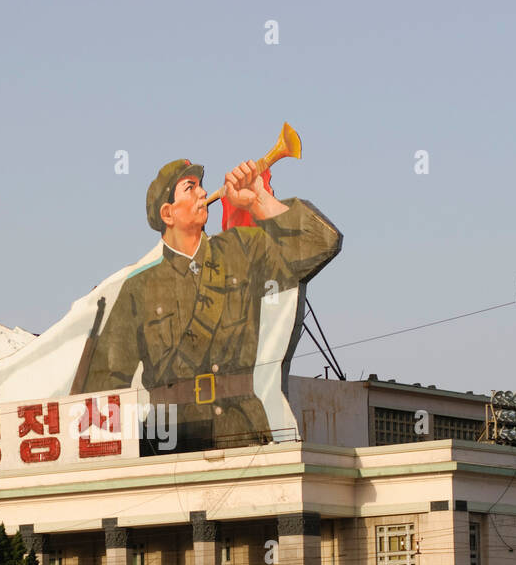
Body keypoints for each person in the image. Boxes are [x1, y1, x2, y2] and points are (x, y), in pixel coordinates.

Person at [75, 157, 342, 451]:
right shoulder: (139, 288)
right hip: (169, 440)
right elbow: (102, 388)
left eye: (201, 186)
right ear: (167, 213)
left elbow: (321, 242)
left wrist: (259, 200)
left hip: (242, 432)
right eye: (190, 188)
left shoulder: (242, 250)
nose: (203, 193)